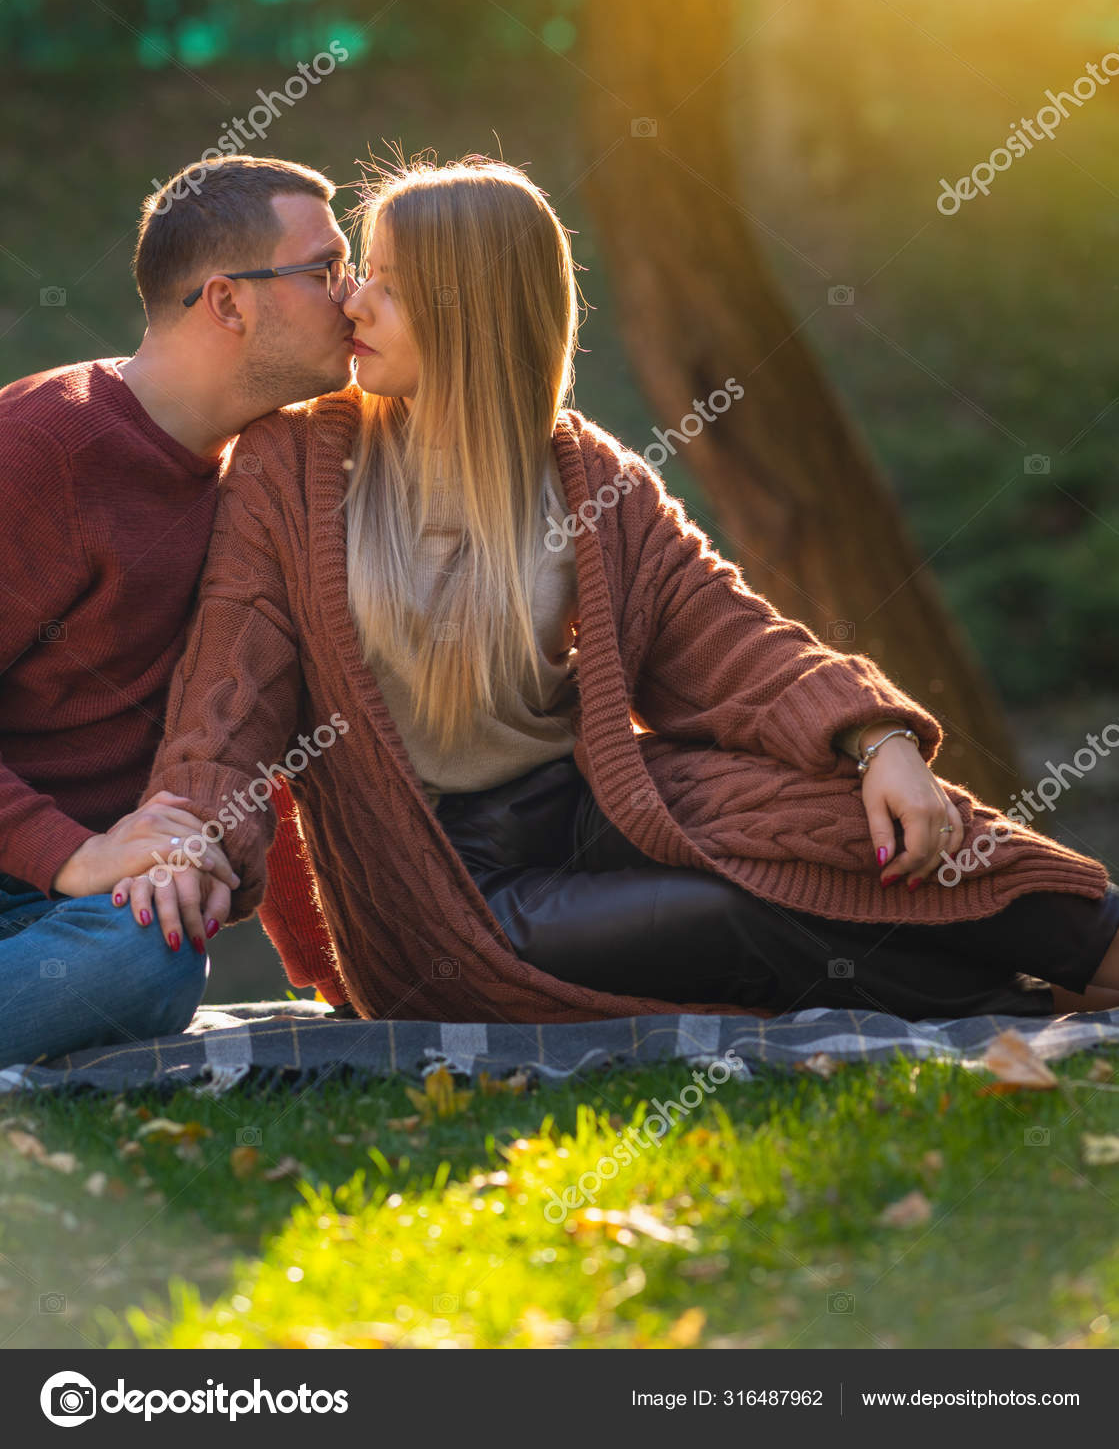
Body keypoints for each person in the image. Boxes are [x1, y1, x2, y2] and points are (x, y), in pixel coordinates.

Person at [122, 155, 1119, 1026]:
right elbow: (233, 690)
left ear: (470, 308)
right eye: (357, 276)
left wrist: (878, 739)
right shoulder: (289, 468)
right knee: (739, 914)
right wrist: (189, 836)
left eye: (385, 282)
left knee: (849, 822)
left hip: (600, 805)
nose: (352, 303)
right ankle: (1016, 1004)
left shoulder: (586, 476)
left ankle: (1096, 947)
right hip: (452, 891)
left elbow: (732, 638)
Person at [0, 154, 358, 1067]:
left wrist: (335, 972)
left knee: (153, 953)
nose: (351, 298)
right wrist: (70, 853)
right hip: (46, 870)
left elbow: (244, 712)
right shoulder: (47, 445)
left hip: (73, 912)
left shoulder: (266, 473)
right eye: (325, 270)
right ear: (228, 302)